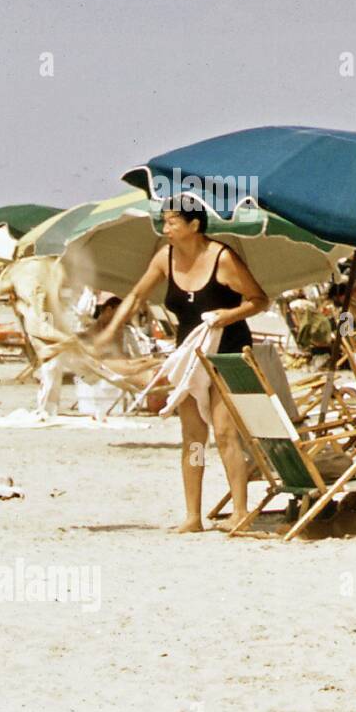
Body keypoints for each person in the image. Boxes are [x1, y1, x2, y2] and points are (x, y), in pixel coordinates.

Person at [96, 202, 268, 533]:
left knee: (225, 432)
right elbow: (135, 296)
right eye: (164, 222)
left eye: (172, 222)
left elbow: (260, 300)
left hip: (226, 352)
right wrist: (111, 329)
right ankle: (192, 516)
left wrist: (226, 316)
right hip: (189, 356)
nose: (166, 228)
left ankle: (241, 511)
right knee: (192, 437)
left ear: (194, 226)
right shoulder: (165, 257)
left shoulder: (223, 258)